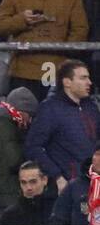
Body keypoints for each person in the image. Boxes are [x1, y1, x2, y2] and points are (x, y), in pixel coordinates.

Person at [24, 60, 100, 189]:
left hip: (93, 183)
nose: (89, 82)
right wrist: (57, 176)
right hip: (68, 185)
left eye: (88, 77)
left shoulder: (91, 107)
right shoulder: (50, 109)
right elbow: (33, 147)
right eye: (83, 78)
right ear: (67, 82)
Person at [0, 88, 40, 218]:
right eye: (29, 116)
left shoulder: (0, 123)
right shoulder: (3, 126)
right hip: (5, 192)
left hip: (0, 188)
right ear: (22, 112)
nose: (29, 121)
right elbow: (13, 160)